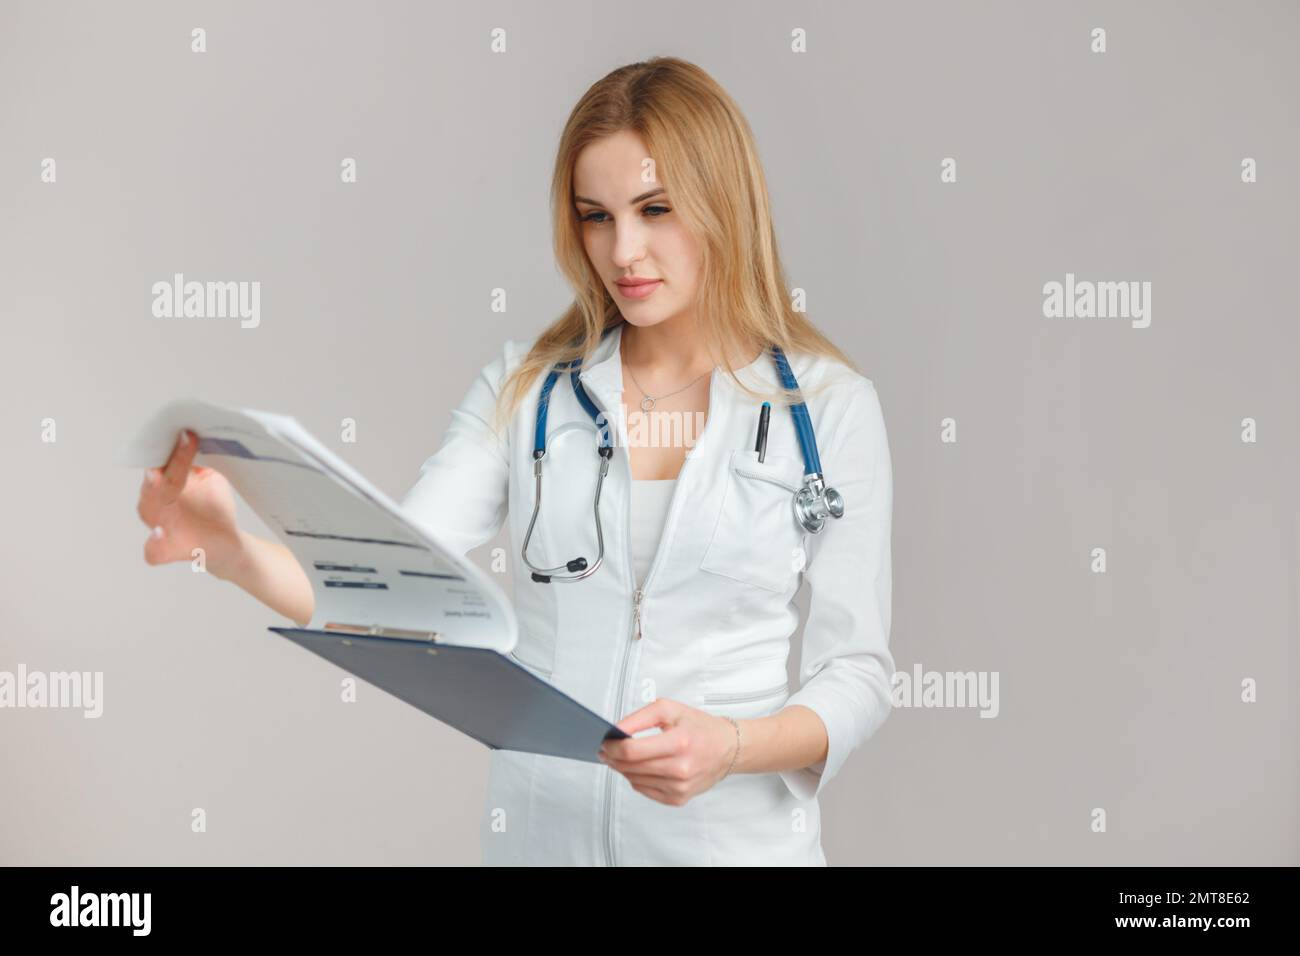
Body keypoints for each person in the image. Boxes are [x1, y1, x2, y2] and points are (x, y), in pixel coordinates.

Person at [136, 56, 894, 866]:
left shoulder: (829, 408)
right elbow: (393, 587)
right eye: (595, 216)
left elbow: (858, 673)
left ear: (725, 204)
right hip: (542, 842)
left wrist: (732, 745)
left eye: (656, 209)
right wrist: (229, 549)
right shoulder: (525, 392)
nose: (623, 250)